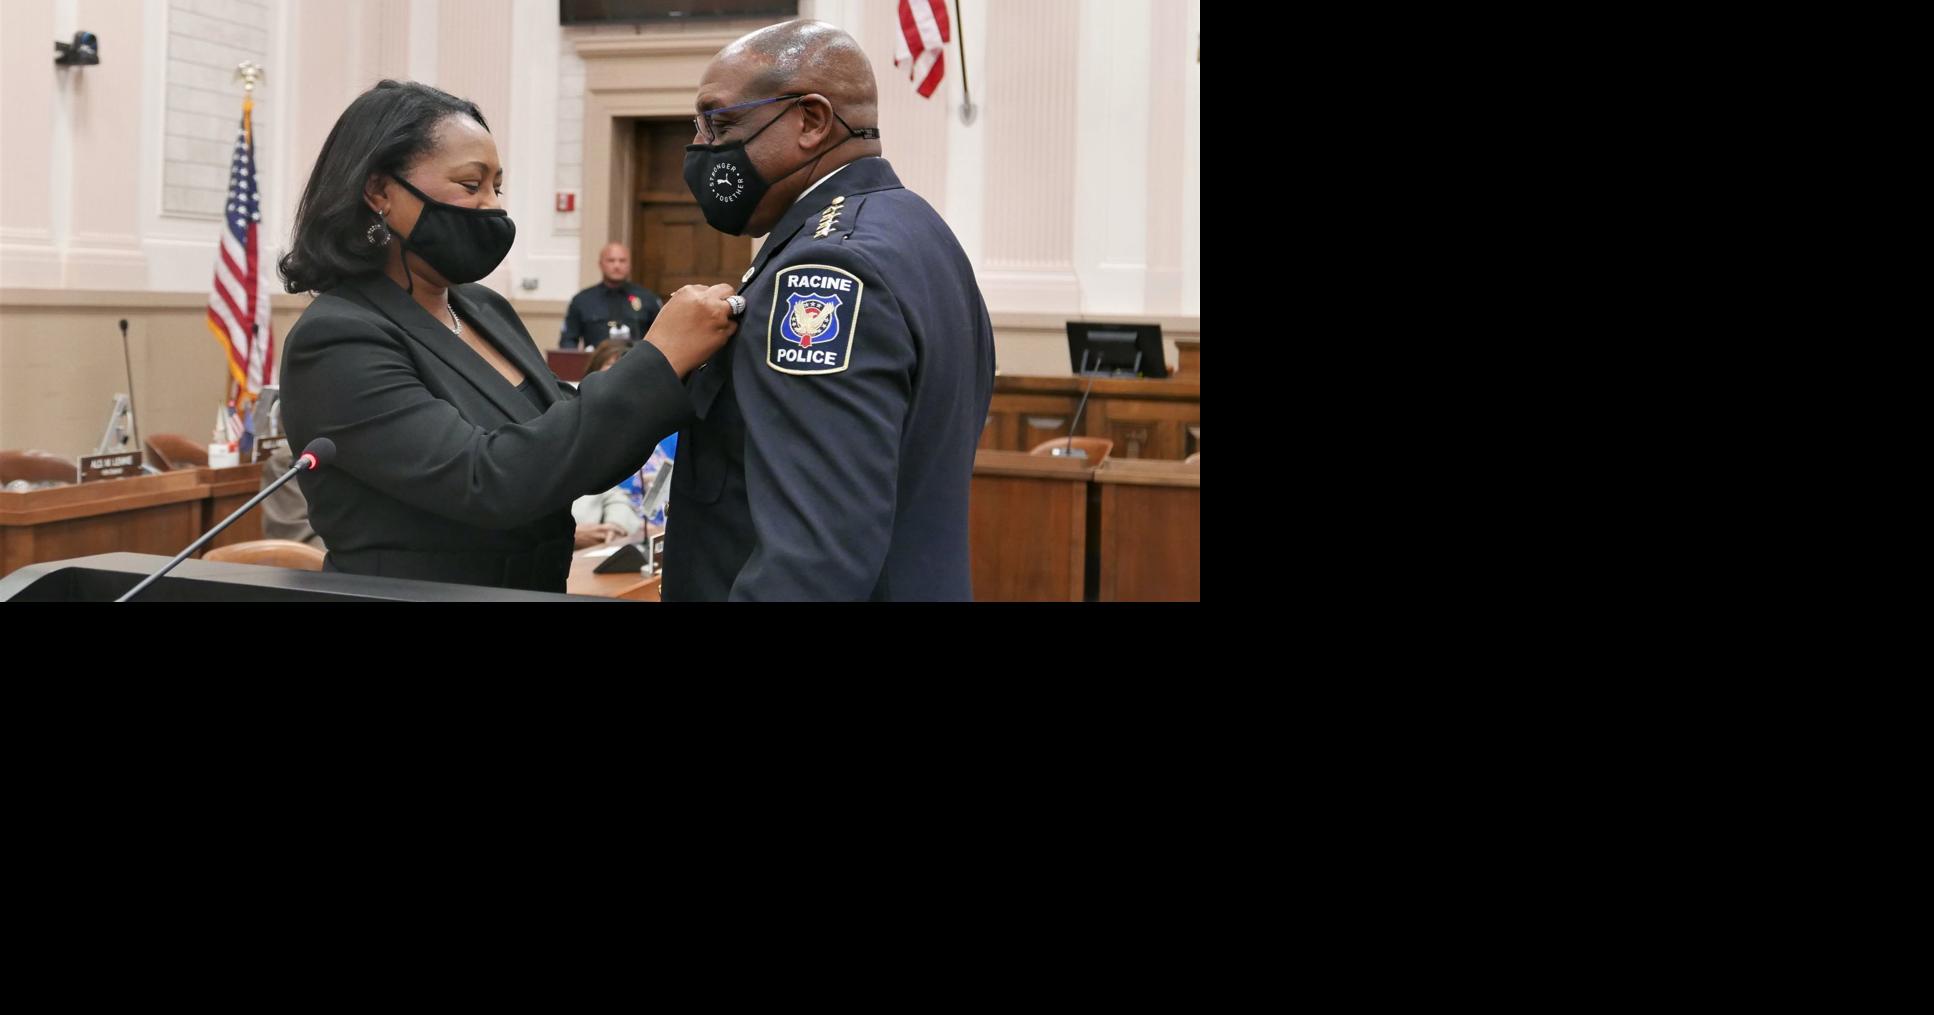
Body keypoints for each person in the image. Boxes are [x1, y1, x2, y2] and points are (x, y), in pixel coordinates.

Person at [275, 80, 736, 593]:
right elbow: (488, 481)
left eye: (498, 187)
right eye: (471, 185)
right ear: (380, 191)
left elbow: (576, 449)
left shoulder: (482, 308)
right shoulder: (337, 338)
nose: (493, 206)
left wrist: (685, 365)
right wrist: (659, 356)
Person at [662, 20, 996, 601]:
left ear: (812, 121)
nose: (702, 147)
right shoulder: (918, 230)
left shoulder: (824, 271)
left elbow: (813, 562)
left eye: (721, 124)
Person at [560, 242, 663, 349]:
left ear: (630, 265)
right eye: (611, 260)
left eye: (622, 261)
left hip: (638, 359)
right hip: (595, 359)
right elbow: (568, 341)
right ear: (600, 264)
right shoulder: (582, 300)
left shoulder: (648, 299)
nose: (617, 266)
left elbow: (660, 340)